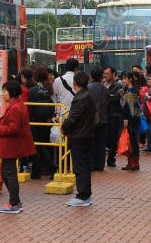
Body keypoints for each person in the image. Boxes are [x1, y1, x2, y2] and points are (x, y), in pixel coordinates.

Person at [0, 80, 36, 214]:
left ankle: (14, 202)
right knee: (7, 173)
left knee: (9, 174)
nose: (2, 94)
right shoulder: (17, 105)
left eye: (4, 91)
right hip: (11, 146)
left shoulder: (15, 107)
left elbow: (13, 128)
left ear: (11, 92)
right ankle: (14, 201)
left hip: (11, 146)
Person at [61, 71, 96, 207]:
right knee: (84, 167)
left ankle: (83, 195)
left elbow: (72, 119)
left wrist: (64, 127)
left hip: (79, 137)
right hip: (86, 135)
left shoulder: (80, 98)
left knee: (80, 167)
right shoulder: (88, 96)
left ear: (75, 83)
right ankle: (85, 194)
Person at [28, 65, 56, 179]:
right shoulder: (49, 88)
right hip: (47, 120)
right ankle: (41, 169)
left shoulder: (33, 90)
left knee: (38, 145)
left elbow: (31, 107)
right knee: (45, 144)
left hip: (36, 121)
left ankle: (49, 168)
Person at [87, 66, 108, 172]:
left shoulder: (87, 87)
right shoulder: (104, 88)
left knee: (91, 142)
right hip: (102, 119)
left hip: (90, 120)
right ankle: (100, 165)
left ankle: (90, 165)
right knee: (101, 143)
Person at [120, 72, 142, 171]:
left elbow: (129, 107)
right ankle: (133, 163)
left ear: (130, 80)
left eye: (124, 79)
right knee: (132, 141)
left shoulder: (131, 91)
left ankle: (133, 163)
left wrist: (126, 119)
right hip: (133, 119)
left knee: (132, 141)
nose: (123, 81)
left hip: (131, 120)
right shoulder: (131, 90)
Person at [102, 66, 123, 168]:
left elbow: (115, 98)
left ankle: (111, 160)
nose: (105, 75)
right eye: (104, 73)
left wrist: (107, 96)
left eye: (107, 73)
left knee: (113, 139)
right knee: (103, 138)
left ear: (113, 74)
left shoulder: (118, 86)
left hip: (114, 116)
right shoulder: (103, 84)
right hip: (104, 114)